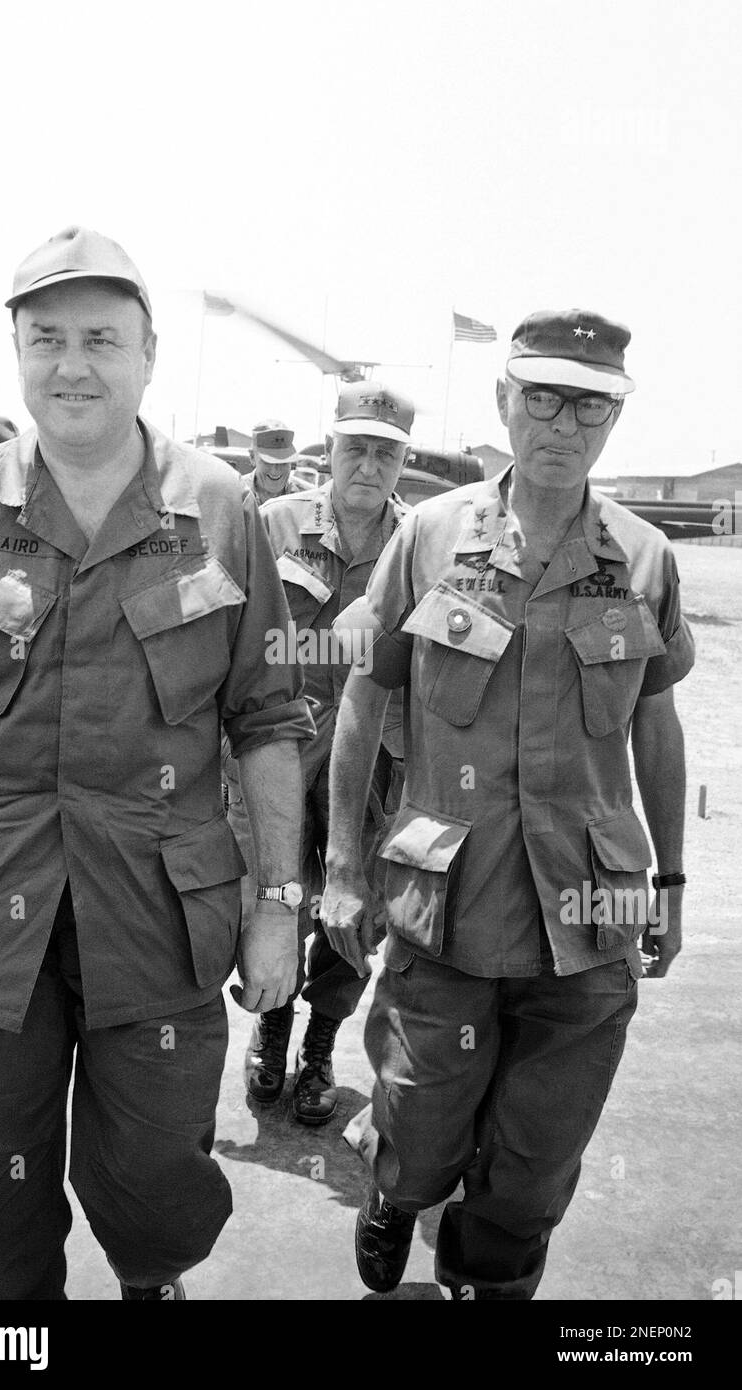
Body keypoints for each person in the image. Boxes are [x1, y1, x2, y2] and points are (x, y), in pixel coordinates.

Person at [0, 225, 313, 1301]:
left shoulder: (220, 510)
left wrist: (277, 902)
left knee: (152, 1170)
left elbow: (265, 715)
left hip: (159, 905)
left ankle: (151, 1278)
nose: (72, 365)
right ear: (18, 351)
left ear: (147, 354)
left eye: (99, 339)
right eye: (47, 340)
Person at [321, 310, 694, 1298]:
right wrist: (342, 868)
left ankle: (484, 1270)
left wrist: (668, 880)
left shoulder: (643, 559)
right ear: (502, 402)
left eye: (588, 404)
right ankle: (396, 1190)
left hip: (595, 901)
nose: (562, 424)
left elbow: (653, 729)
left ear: (611, 419)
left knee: (540, 1146)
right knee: (421, 1107)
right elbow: (365, 696)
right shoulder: (429, 536)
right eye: (542, 397)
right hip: (445, 897)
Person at [235, 383, 412, 1124]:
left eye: (384, 451)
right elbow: (227, 634)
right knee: (274, 890)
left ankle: (319, 1050)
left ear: (401, 458)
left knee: (351, 907)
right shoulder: (270, 523)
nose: (367, 465)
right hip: (280, 746)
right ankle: (271, 1028)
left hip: (372, 758)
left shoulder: (422, 540)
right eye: (354, 448)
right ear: (328, 450)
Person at [244, 419, 309, 503]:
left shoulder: (307, 498)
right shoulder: (236, 494)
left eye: (283, 461)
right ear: (252, 457)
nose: (275, 470)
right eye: (268, 461)